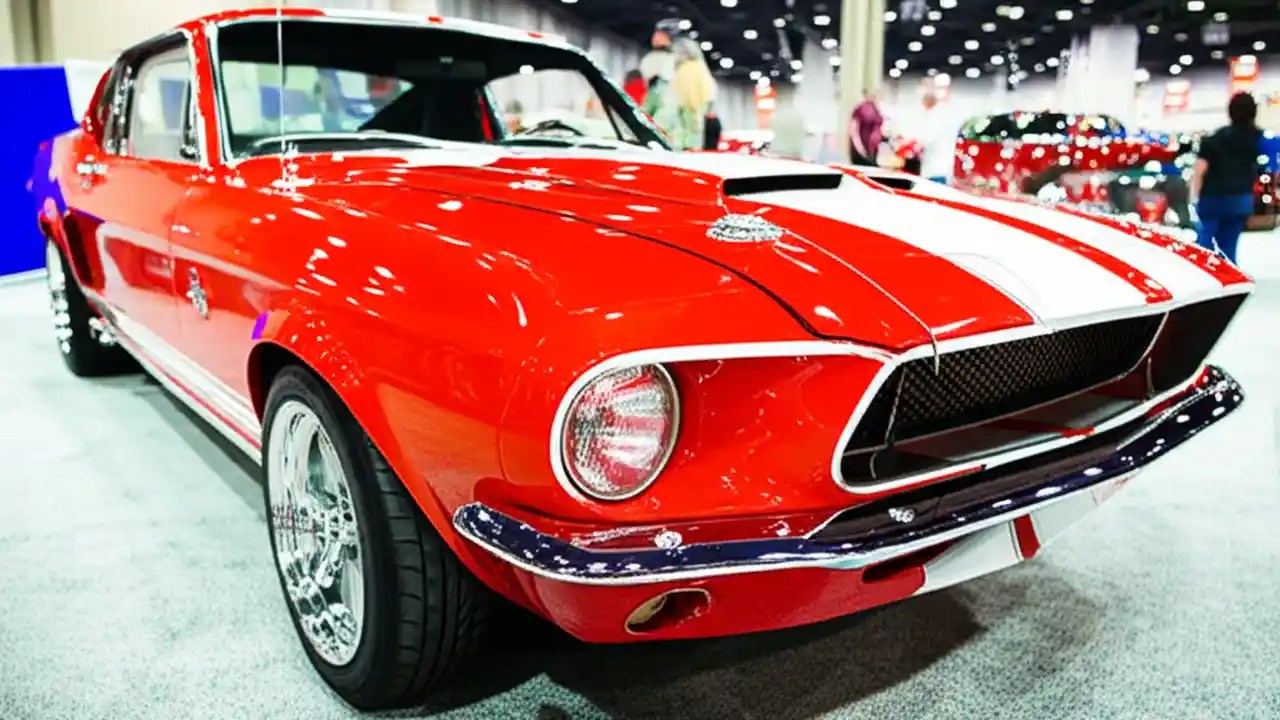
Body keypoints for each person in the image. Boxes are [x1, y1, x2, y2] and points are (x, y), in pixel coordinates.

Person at [1190, 92, 1262, 264]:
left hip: (1213, 199)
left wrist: (1194, 196)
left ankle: (1204, 278)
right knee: (1229, 247)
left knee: (1204, 245)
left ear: (1230, 112)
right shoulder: (1257, 139)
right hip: (1240, 200)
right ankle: (1229, 279)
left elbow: (1200, 169)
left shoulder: (1214, 140)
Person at [670, 37, 716, 150]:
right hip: (692, 110)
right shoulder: (699, 67)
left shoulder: (689, 68)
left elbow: (687, 94)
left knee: (690, 140)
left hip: (690, 110)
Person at [905, 90, 956, 183]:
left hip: (934, 168)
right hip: (941, 167)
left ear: (928, 102)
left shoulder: (935, 117)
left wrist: (912, 146)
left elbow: (926, 140)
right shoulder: (941, 114)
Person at [848, 88, 884, 166]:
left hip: (871, 151)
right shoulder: (860, 109)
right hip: (862, 152)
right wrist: (861, 150)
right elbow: (854, 132)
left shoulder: (876, 110)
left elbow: (878, 130)